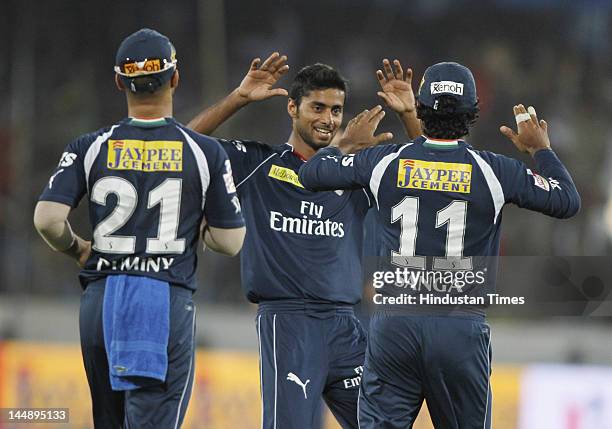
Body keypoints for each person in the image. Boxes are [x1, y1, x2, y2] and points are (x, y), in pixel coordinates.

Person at [298, 62, 580, 428]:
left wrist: (345, 144)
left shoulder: (383, 162)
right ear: (473, 114)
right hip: (459, 328)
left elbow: (312, 174)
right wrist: (540, 150)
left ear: (422, 108)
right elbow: (566, 201)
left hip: (394, 325)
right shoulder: (495, 171)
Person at [187, 56, 420, 428]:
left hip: (347, 326)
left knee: (386, 423)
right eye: (318, 108)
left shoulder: (357, 172)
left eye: (336, 110)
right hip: (289, 322)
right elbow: (181, 146)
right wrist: (239, 98)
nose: (328, 119)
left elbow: (430, 172)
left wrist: (410, 114)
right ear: (292, 108)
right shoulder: (258, 164)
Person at [33, 28, 245, 428]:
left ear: (119, 82)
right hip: (160, 303)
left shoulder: (89, 146)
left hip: (101, 298)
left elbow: (46, 219)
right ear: (176, 78)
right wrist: (194, 228)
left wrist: (78, 247)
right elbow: (232, 242)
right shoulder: (205, 152)